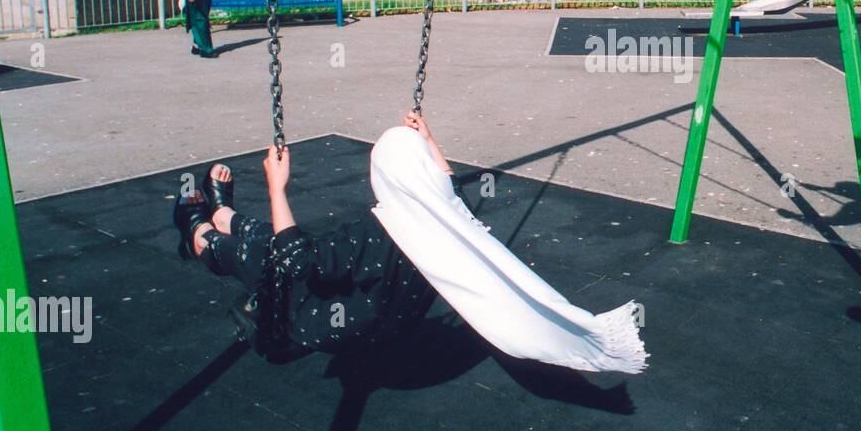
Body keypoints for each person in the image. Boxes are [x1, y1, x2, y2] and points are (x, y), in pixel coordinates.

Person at [172, 111, 648, 373]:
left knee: (267, 253)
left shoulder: (377, 233)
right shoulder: (446, 218)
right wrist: (429, 140)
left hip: (328, 326)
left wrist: (277, 187)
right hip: (386, 322)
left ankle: (197, 229)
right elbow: (444, 183)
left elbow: (299, 261)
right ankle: (222, 211)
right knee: (270, 240)